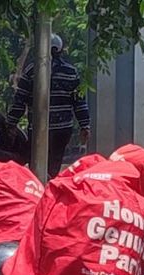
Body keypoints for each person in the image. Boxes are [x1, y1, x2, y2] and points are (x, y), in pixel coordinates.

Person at [6, 33, 90, 179]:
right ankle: (50, 187)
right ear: (59, 50)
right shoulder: (71, 71)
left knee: (37, 163)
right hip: (63, 127)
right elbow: (79, 102)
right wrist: (85, 125)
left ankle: (39, 189)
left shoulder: (32, 70)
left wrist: (12, 122)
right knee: (55, 162)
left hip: (39, 128)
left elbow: (20, 99)